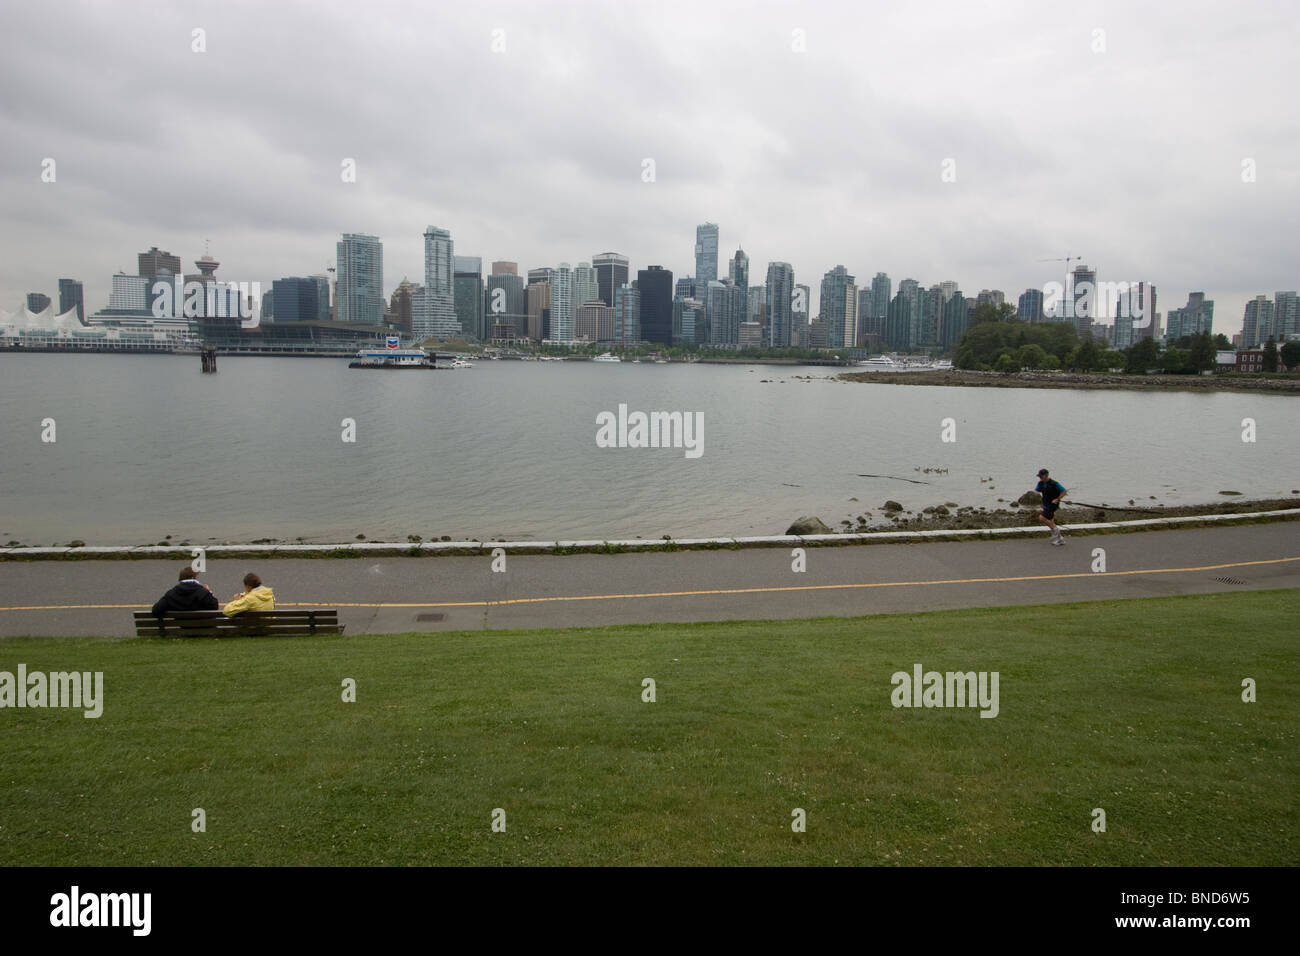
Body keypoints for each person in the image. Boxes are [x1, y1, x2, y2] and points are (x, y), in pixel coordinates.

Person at [152, 566, 219, 616]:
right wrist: (209, 592)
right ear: (193, 578)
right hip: (205, 627)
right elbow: (215, 606)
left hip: (182, 628)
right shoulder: (202, 592)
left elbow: (156, 610)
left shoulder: (171, 594)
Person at [1032, 468, 1067, 545]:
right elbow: (1036, 490)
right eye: (1039, 476)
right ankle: (1060, 538)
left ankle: (1055, 531)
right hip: (1045, 504)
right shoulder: (1040, 483)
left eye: (1041, 476)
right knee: (1051, 521)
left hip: (1053, 504)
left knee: (1042, 518)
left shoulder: (1054, 483)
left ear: (1046, 475)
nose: (1040, 477)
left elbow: (1064, 491)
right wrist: (1036, 492)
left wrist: (1057, 499)